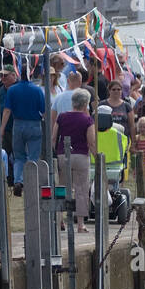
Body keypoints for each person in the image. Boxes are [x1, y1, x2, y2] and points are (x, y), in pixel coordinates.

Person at [53, 88, 95, 232]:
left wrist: (56, 152)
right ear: (86, 104)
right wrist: (97, 157)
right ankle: (80, 224)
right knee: (81, 189)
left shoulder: (62, 117)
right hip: (81, 156)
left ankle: (60, 220)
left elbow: (54, 138)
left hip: (63, 155)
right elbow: (91, 142)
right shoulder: (87, 120)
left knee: (62, 189)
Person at [1, 67, 45, 196]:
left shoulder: (12, 90)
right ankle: (29, 183)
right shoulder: (37, 90)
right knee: (33, 156)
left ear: (19, 74)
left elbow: (7, 110)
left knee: (19, 157)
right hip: (34, 124)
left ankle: (18, 181)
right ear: (31, 74)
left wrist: (2, 128)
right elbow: (44, 112)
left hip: (18, 124)